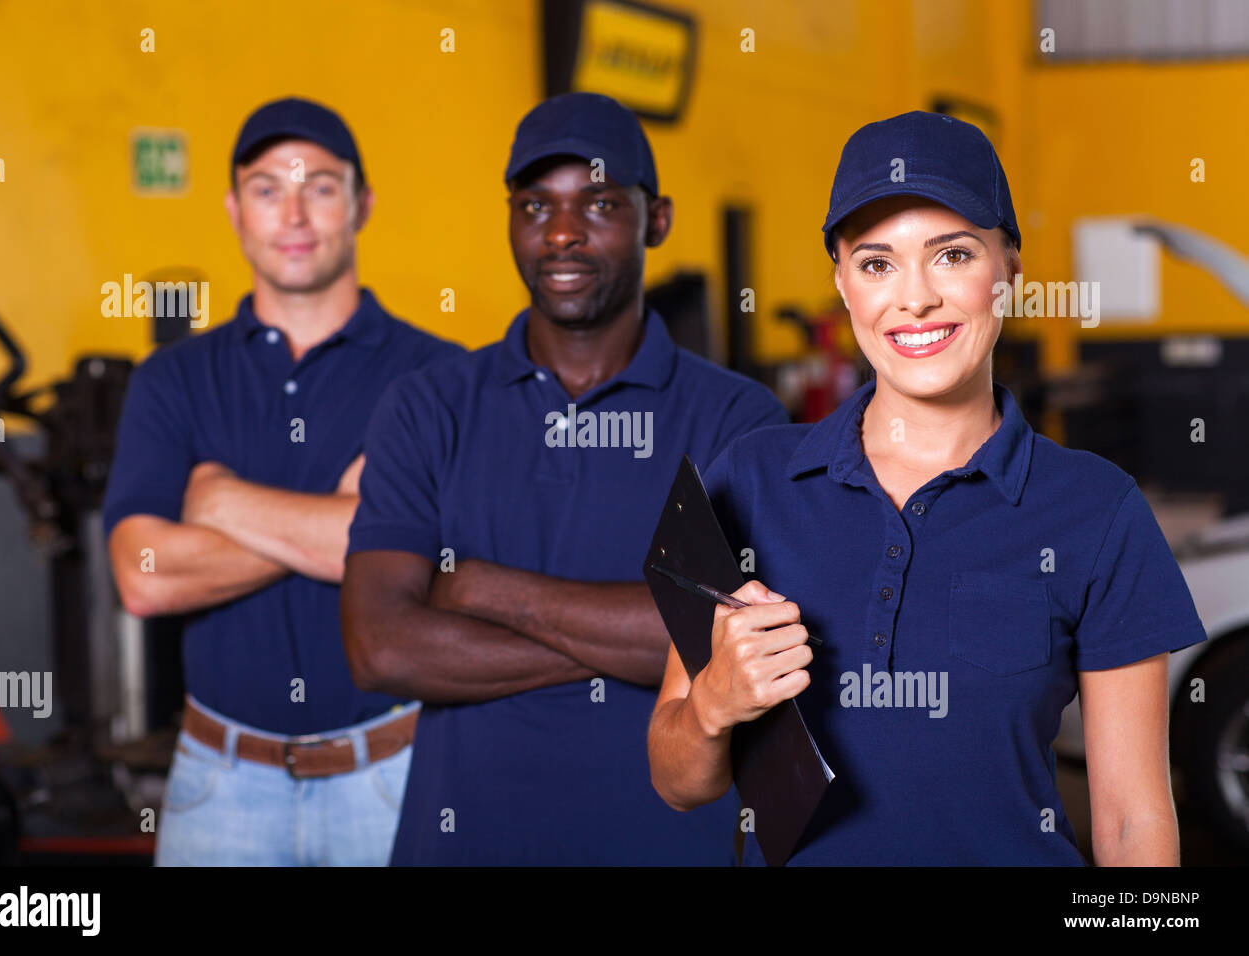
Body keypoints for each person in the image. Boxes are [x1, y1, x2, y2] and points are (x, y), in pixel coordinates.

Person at [647, 111, 1208, 866]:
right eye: (877, 264)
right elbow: (676, 782)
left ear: (1008, 272)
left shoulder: (1096, 509)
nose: (914, 299)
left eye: (951, 255)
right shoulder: (749, 480)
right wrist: (715, 703)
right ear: (843, 286)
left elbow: (1132, 822)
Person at [340, 92, 789, 865]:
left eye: (600, 202)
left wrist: (485, 590)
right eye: (535, 204)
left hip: (668, 846)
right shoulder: (428, 407)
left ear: (658, 220)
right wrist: (643, 635)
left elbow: (735, 645)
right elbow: (380, 648)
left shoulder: (736, 420)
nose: (562, 231)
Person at [103, 97, 463, 865]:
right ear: (235, 211)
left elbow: (434, 559)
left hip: (392, 780)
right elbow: (143, 579)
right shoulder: (173, 380)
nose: (293, 214)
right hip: (217, 790)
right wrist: (348, 523)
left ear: (362, 203)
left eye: (321, 187)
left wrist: (221, 502)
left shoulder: (438, 376)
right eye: (268, 189)